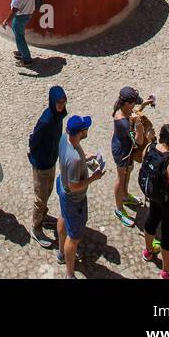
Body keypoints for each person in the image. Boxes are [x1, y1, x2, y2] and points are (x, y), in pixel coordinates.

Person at [56, 114, 103, 279]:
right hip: (73, 198)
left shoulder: (64, 138)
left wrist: (87, 157)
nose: (87, 129)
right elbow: (74, 186)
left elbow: (71, 156)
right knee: (74, 237)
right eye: (85, 128)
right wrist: (93, 178)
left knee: (63, 216)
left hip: (61, 186)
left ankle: (61, 253)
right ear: (81, 132)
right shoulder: (74, 160)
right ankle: (70, 273)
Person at [140, 124, 169, 279]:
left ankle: (148, 251)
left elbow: (144, 163)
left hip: (154, 195)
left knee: (152, 219)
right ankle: (166, 271)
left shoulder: (149, 148)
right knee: (166, 233)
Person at [29, 86, 68, 244]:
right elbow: (34, 139)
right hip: (41, 163)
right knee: (40, 197)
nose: (61, 105)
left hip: (51, 160)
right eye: (58, 102)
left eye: (63, 102)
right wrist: (36, 155)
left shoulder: (59, 116)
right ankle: (36, 227)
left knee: (48, 191)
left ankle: (43, 215)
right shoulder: (46, 120)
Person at [111, 86, 143, 227]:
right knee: (121, 177)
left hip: (126, 149)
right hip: (122, 152)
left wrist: (145, 103)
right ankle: (119, 209)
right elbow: (139, 141)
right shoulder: (122, 122)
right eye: (133, 103)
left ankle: (125, 195)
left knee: (128, 173)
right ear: (127, 103)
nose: (135, 106)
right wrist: (139, 126)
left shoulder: (124, 108)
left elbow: (134, 111)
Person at [2, 0, 36, 65]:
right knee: (18, 33)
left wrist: (6, 20)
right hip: (29, 12)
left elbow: (15, 8)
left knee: (19, 35)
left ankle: (27, 59)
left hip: (21, 15)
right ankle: (21, 51)